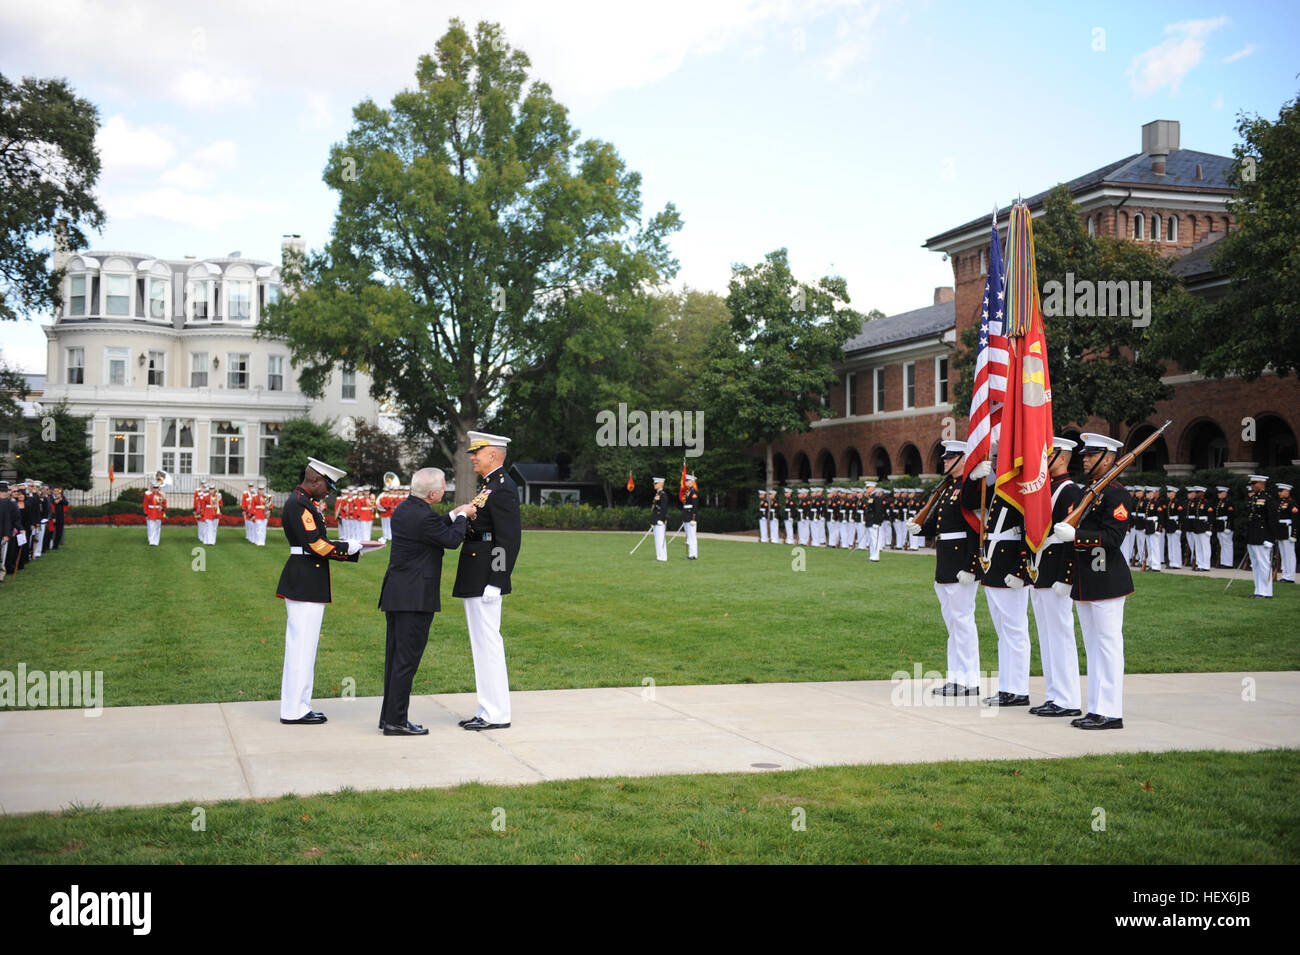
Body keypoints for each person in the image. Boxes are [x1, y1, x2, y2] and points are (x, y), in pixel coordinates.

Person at [275, 457, 383, 724]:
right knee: (301, 647)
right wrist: (353, 548)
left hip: (306, 578)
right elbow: (317, 546)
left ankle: (300, 705)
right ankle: (294, 710)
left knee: (305, 647)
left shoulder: (304, 502)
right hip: (304, 580)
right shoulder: (300, 504)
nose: (328, 493)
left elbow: (318, 543)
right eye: (327, 486)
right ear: (314, 480)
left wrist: (355, 545)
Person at [376, 468, 475, 735]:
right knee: (406, 661)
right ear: (432, 493)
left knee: (396, 658)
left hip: (397, 594)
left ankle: (389, 717)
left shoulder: (405, 509)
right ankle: (396, 722)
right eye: (443, 487)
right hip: (415, 597)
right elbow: (452, 540)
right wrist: (464, 516)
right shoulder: (423, 517)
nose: (445, 490)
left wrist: (453, 514)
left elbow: (430, 528)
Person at [1050, 433, 1133, 730]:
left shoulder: (1116, 494)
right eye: (1084, 454)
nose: (1084, 458)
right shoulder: (1092, 491)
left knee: (1108, 646)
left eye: (1091, 454)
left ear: (1109, 459)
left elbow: (1113, 538)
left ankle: (1111, 711)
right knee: (1094, 647)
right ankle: (1097, 708)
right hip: (1087, 580)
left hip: (1107, 580)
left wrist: (1077, 537)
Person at [452, 431, 522, 730]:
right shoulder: (490, 485)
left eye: (477, 452)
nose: (472, 457)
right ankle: (486, 708)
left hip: (485, 576)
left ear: (493, 455)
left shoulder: (503, 488)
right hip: (475, 571)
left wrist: (497, 579)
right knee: (480, 644)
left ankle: (497, 713)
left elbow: (507, 540)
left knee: (488, 643)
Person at [962, 449, 1032, 707]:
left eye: (998, 456)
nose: (994, 461)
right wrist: (972, 479)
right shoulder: (997, 488)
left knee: (1015, 630)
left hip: (1009, 567)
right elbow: (969, 503)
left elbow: (1029, 530)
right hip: (992, 565)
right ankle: (1007, 687)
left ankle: (1019, 689)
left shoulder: (1020, 487)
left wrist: (1020, 570)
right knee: (1004, 631)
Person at [915, 440, 981, 696]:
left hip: (960, 565)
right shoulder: (948, 487)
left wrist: (971, 565)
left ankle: (970, 679)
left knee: (963, 623)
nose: (944, 460)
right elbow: (943, 527)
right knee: (953, 625)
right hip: (945, 562)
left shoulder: (969, 489)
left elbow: (976, 529)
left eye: (950, 457)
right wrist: (921, 528)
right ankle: (956, 677)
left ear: (963, 459)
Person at [1027, 438, 1083, 718]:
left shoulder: (1070, 492)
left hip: (1056, 572)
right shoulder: (1047, 488)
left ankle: (1068, 698)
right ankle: (1054, 695)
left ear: (1062, 458)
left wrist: (1066, 576)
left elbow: (1069, 540)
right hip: (1041, 571)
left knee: (1060, 636)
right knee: (1047, 638)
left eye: (1048, 454)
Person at [1245, 475, 1275, 598]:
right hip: (1253, 536)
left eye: (1254, 483)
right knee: (1256, 565)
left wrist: (1270, 538)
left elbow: (1272, 520)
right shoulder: (1254, 498)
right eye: (1252, 484)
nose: (1252, 486)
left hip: (1263, 537)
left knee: (1263, 564)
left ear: (1262, 484)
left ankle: (1266, 591)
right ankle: (1258, 589)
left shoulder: (1268, 499)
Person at [1275, 483, 1296, 583]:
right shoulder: (1280, 502)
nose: (1279, 493)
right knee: (1283, 554)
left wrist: (1294, 535)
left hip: (1288, 530)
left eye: (1281, 491)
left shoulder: (1292, 503)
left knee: (1289, 554)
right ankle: (1285, 575)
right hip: (1281, 530)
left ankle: (1290, 576)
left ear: (1287, 492)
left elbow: (1296, 519)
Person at [1163, 486, 1184, 569]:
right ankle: (1172, 562)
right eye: (1168, 492)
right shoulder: (1169, 503)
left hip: (1175, 525)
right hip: (1170, 525)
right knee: (1171, 545)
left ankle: (1177, 563)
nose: (1168, 494)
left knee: (1175, 545)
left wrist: (1179, 528)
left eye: (1170, 492)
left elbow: (1181, 516)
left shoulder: (1177, 503)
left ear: (1174, 493)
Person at [1214, 486, 1234, 568]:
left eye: (1220, 492)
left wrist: (1228, 527)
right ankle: (1223, 562)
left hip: (1225, 525)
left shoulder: (1228, 503)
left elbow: (1230, 516)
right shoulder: (1219, 502)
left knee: (1227, 544)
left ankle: (1228, 563)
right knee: (1222, 544)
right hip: (1220, 524)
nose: (1218, 494)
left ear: (1225, 493)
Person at [651, 477, 668, 561]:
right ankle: (659, 556)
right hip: (656, 519)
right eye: (654, 483)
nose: (654, 485)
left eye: (656, 483)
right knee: (657, 539)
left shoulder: (663, 494)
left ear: (661, 484)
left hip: (660, 520)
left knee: (661, 539)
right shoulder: (657, 494)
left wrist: (661, 519)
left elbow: (664, 508)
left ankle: (663, 557)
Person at [143, 480, 166, 546]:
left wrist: (163, 508)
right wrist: (146, 512)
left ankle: (156, 541)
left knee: (157, 528)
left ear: (159, 488)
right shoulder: (148, 494)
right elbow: (145, 504)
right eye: (154, 488)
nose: (156, 489)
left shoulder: (162, 495)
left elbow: (164, 504)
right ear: (152, 488)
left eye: (157, 488)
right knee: (151, 527)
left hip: (158, 513)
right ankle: (151, 541)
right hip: (151, 512)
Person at [682, 474, 699, 559]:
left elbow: (695, 506)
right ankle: (690, 554)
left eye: (687, 481)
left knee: (692, 536)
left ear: (692, 482)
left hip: (691, 518)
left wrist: (693, 518)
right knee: (689, 536)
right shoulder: (688, 491)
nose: (685, 482)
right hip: (686, 516)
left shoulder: (694, 492)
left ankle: (693, 555)